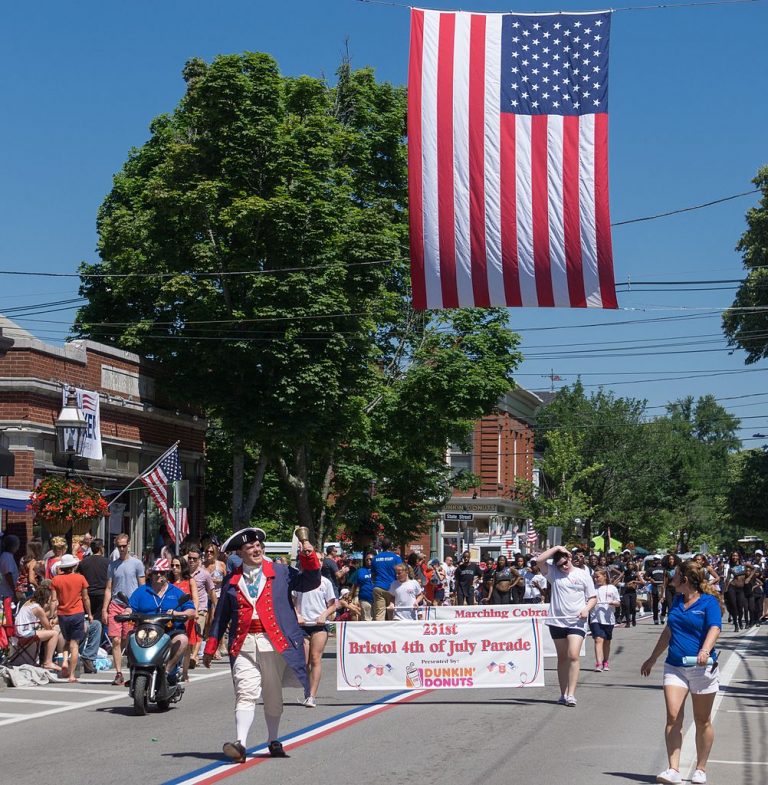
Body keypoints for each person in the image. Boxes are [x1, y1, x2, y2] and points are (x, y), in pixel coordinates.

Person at [202, 528, 321, 762]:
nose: (256, 550)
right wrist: (210, 647)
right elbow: (221, 617)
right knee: (245, 692)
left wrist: (308, 554)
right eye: (250, 548)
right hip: (243, 644)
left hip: (273, 643)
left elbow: (310, 581)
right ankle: (241, 743)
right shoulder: (232, 580)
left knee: (272, 693)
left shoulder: (281, 571)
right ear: (240, 553)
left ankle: (273, 739)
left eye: (258, 546)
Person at [641, 560, 723, 785]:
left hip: (701, 669)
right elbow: (669, 631)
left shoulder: (709, 602)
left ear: (684, 580)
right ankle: (673, 769)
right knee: (673, 716)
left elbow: (715, 627)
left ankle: (701, 768)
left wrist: (705, 650)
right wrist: (652, 658)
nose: (671, 579)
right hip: (675, 666)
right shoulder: (677, 601)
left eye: (674, 575)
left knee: (702, 719)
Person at [537, 545, 597, 707]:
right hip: (557, 620)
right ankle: (563, 693)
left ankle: (571, 694)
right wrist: (557, 547)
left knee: (573, 655)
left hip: (576, 621)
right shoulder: (554, 574)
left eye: (565, 563)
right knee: (562, 657)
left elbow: (592, 597)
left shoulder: (583, 575)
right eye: (560, 565)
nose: (564, 567)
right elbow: (539, 560)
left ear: (570, 559)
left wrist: (586, 609)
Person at [129, 559, 195, 683]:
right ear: (151, 574)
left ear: (167, 574)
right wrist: (126, 612)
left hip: (170, 630)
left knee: (182, 639)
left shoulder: (175, 592)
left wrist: (177, 613)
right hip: (146, 630)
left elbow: (191, 611)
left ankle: (167, 671)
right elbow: (130, 607)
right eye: (156, 572)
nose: (159, 575)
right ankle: (134, 671)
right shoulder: (141, 591)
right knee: (130, 637)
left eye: (163, 573)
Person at [102, 533, 146, 686]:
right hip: (115, 604)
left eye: (124, 546)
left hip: (131, 607)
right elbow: (108, 588)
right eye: (119, 546)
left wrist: (141, 606)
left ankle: (132, 669)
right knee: (115, 639)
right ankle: (118, 673)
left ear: (129, 545)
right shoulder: (112, 565)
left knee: (129, 639)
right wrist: (104, 609)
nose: (121, 549)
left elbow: (142, 587)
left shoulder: (137, 564)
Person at [293, 573, 337, 707]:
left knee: (315, 658)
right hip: (302, 625)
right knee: (304, 661)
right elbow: (292, 602)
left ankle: (312, 696)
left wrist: (324, 615)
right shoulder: (298, 580)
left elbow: (333, 604)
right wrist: (298, 615)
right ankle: (307, 691)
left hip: (319, 625)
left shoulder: (325, 582)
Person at [50, 553, 92, 682]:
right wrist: (89, 613)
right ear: (74, 566)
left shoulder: (55, 580)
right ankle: (72, 675)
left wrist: (52, 615)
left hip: (62, 614)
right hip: (77, 613)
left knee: (67, 640)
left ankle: (64, 662)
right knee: (74, 644)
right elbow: (85, 597)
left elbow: (53, 600)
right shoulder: (80, 578)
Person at [13, 584, 60, 670]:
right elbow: (48, 627)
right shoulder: (38, 608)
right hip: (25, 634)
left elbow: (42, 616)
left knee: (48, 633)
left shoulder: (29, 602)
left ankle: (44, 659)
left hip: (19, 631)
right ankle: (48, 662)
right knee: (54, 634)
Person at [169, 555, 199, 681]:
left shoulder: (189, 581)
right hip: (172, 617)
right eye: (172, 566)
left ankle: (185, 672)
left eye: (177, 566)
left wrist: (195, 612)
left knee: (186, 646)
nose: (174, 568)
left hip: (186, 617)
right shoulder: (169, 582)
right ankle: (172, 668)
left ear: (182, 567)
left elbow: (195, 598)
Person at [187, 546, 215, 666]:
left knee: (198, 632)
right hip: (187, 608)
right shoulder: (184, 572)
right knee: (189, 633)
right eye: (190, 558)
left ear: (199, 559)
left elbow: (211, 591)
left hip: (201, 607)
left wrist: (216, 606)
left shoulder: (205, 574)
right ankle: (191, 655)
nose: (191, 560)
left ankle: (194, 656)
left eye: (194, 558)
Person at [589, 569, 620, 671]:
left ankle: (605, 661)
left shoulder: (612, 588)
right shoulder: (592, 588)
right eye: (595, 577)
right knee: (598, 639)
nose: (596, 579)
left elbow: (618, 602)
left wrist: (613, 603)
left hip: (608, 618)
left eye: (598, 577)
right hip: (595, 618)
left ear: (605, 576)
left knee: (607, 641)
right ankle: (598, 663)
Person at [78, 538, 109, 626]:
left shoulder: (83, 562)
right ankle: (98, 638)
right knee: (100, 620)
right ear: (100, 548)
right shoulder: (107, 563)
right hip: (102, 594)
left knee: (88, 619)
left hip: (88, 594)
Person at [371, 538, 403, 621]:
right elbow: (401, 572)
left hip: (378, 587)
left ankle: (379, 632)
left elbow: (373, 575)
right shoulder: (396, 558)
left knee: (379, 613)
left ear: (381, 546)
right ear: (391, 546)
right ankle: (391, 632)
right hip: (392, 588)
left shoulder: (375, 558)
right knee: (392, 613)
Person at [723, 551, 746, 632]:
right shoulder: (731, 568)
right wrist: (724, 591)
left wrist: (749, 578)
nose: (734, 557)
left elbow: (754, 569)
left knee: (740, 607)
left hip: (741, 589)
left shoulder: (744, 566)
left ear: (739, 557)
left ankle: (740, 620)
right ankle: (736, 624)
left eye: (736, 556)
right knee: (733, 606)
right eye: (733, 556)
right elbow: (727, 580)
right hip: (732, 588)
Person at [349, 552, 374, 620]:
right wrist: (350, 596)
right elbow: (354, 585)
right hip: (364, 598)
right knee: (366, 620)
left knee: (377, 620)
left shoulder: (379, 570)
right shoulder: (360, 571)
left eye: (371, 559)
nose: (369, 561)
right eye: (367, 560)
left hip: (377, 599)